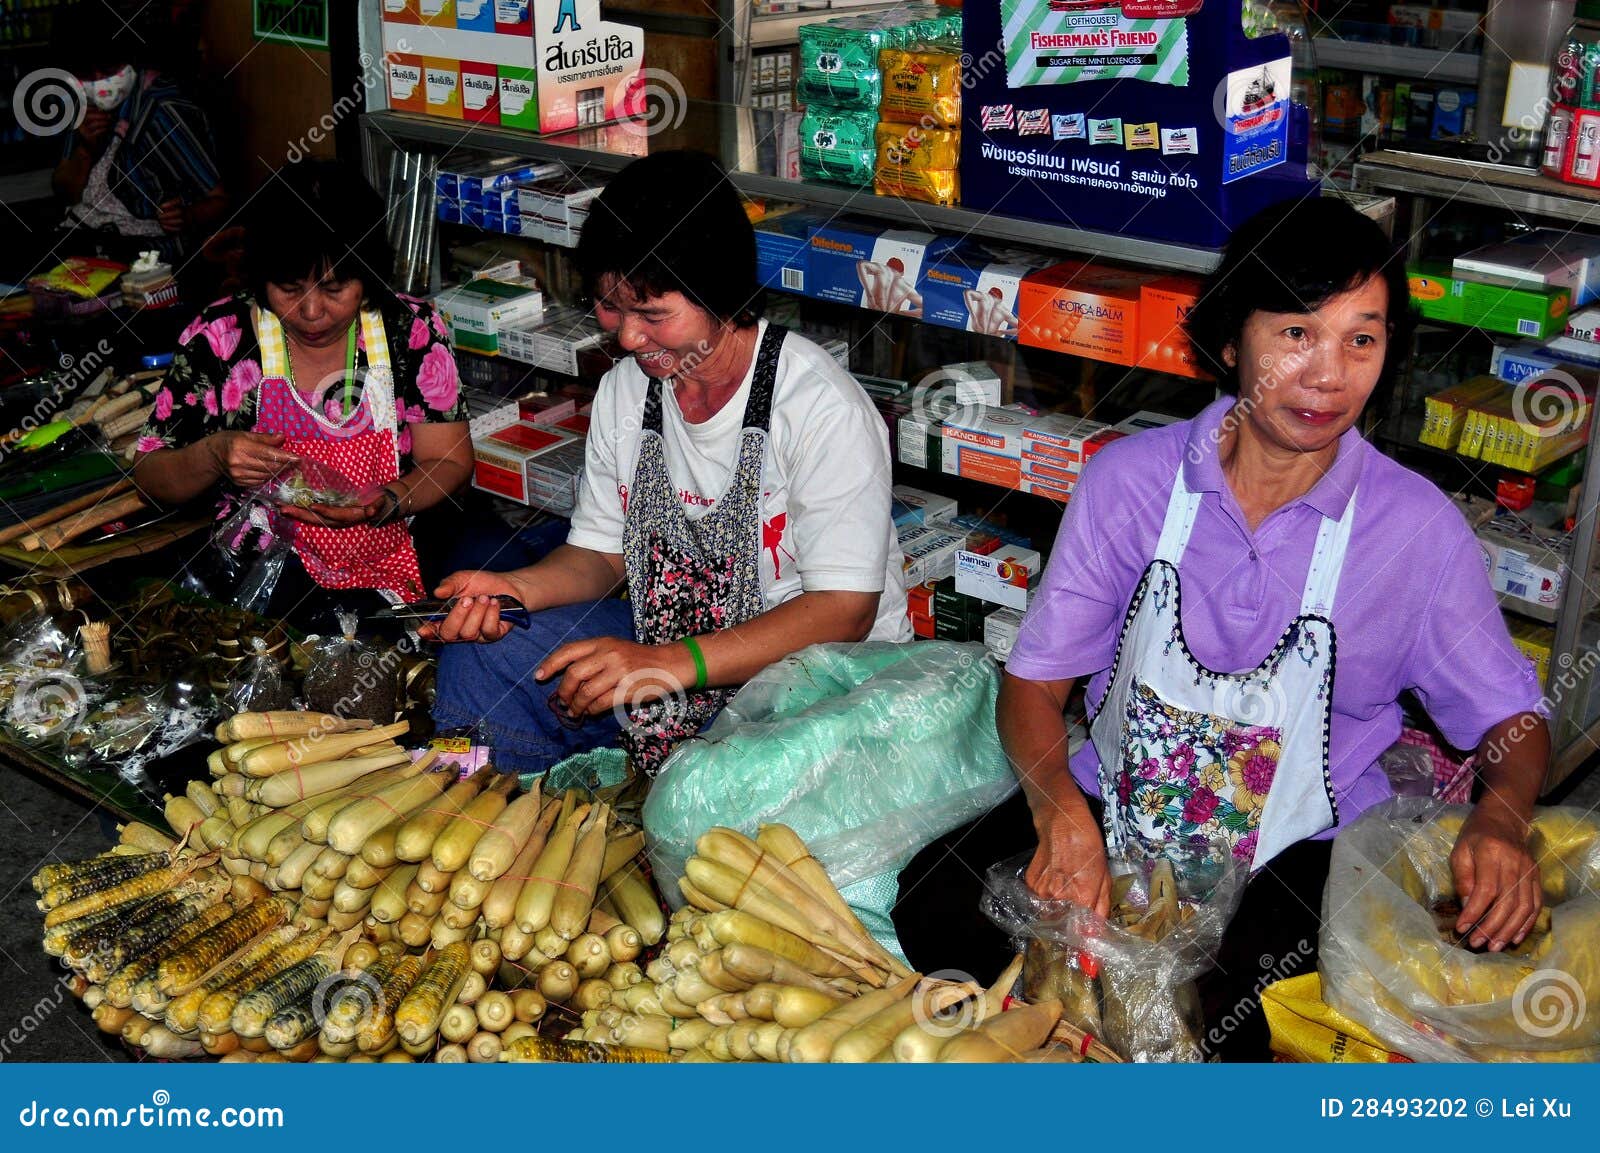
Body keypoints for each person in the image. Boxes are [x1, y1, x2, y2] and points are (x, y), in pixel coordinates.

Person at [894, 197, 1548, 1060]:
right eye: (1296, 335)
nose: (1328, 375)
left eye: (1363, 338)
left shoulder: (1415, 530)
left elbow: (1515, 719)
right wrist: (1062, 817)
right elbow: (1034, 685)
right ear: (1231, 341)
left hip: (1300, 846)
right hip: (1120, 803)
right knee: (934, 903)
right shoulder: (1129, 484)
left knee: (1220, 1011)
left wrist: (1500, 821)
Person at [427, 150, 908, 776]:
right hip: (669, 655)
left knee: (713, 786)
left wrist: (673, 664)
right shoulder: (629, 391)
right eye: (609, 306)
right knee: (484, 654)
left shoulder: (819, 407)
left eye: (654, 315)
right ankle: (483, 826)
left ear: (722, 296)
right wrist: (516, 589)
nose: (627, 338)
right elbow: (599, 554)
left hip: (810, 679)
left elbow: (845, 610)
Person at [132, 159, 472, 627]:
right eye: (288, 288)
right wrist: (214, 455)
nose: (312, 312)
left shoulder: (410, 330)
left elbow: (450, 461)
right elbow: (150, 474)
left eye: (335, 287)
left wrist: (386, 500)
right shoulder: (220, 337)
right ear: (260, 276)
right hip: (266, 568)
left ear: (368, 273)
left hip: (396, 547)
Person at [52, 22, 227, 265]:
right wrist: (85, 149)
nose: (100, 82)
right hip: (83, 240)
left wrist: (185, 216)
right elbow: (64, 193)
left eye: (108, 70)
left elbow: (220, 202)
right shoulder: (85, 104)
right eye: (88, 75)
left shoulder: (163, 112)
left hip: (142, 254)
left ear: (131, 62)